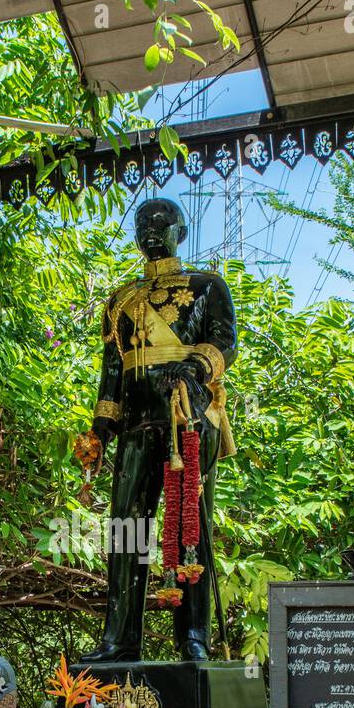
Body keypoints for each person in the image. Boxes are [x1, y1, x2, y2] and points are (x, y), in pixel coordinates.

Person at [81, 198, 238, 662]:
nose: (150, 230)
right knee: (125, 527)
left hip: (186, 417)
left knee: (189, 526)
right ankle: (120, 638)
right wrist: (100, 429)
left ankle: (193, 637)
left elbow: (224, 344)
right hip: (135, 424)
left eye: (161, 223)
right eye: (142, 223)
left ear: (181, 232)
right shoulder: (121, 299)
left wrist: (191, 365)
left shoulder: (207, 286)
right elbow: (112, 369)